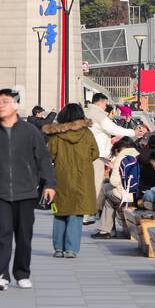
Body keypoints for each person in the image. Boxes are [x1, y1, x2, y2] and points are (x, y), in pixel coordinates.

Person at [0, 88, 56, 290]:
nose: (0, 105)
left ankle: (22, 273)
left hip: (26, 192)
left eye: (5, 102)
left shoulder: (30, 132)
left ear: (16, 105)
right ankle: (1, 275)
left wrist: (50, 184)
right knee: (2, 236)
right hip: (0, 192)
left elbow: (44, 159)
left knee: (24, 236)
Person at [43, 103, 99, 257]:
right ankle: (71, 249)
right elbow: (95, 153)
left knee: (59, 212)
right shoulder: (86, 133)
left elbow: (49, 155)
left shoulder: (56, 135)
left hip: (61, 177)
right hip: (83, 178)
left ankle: (58, 248)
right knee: (77, 213)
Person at [85, 94, 133, 225]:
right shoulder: (97, 114)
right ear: (101, 102)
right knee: (96, 185)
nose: (106, 107)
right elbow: (113, 128)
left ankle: (86, 213)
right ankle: (87, 214)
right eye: (106, 104)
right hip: (97, 155)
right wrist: (133, 132)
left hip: (89, 153)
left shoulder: (87, 112)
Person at [95, 135, 140, 238]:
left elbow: (114, 182)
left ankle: (103, 226)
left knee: (106, 188)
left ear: (117, 150)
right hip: (135, 194)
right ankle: (106, 230)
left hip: (123, 195)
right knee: (109, 200)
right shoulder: (137, 155)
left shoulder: (120, 159)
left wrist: (112, 168)